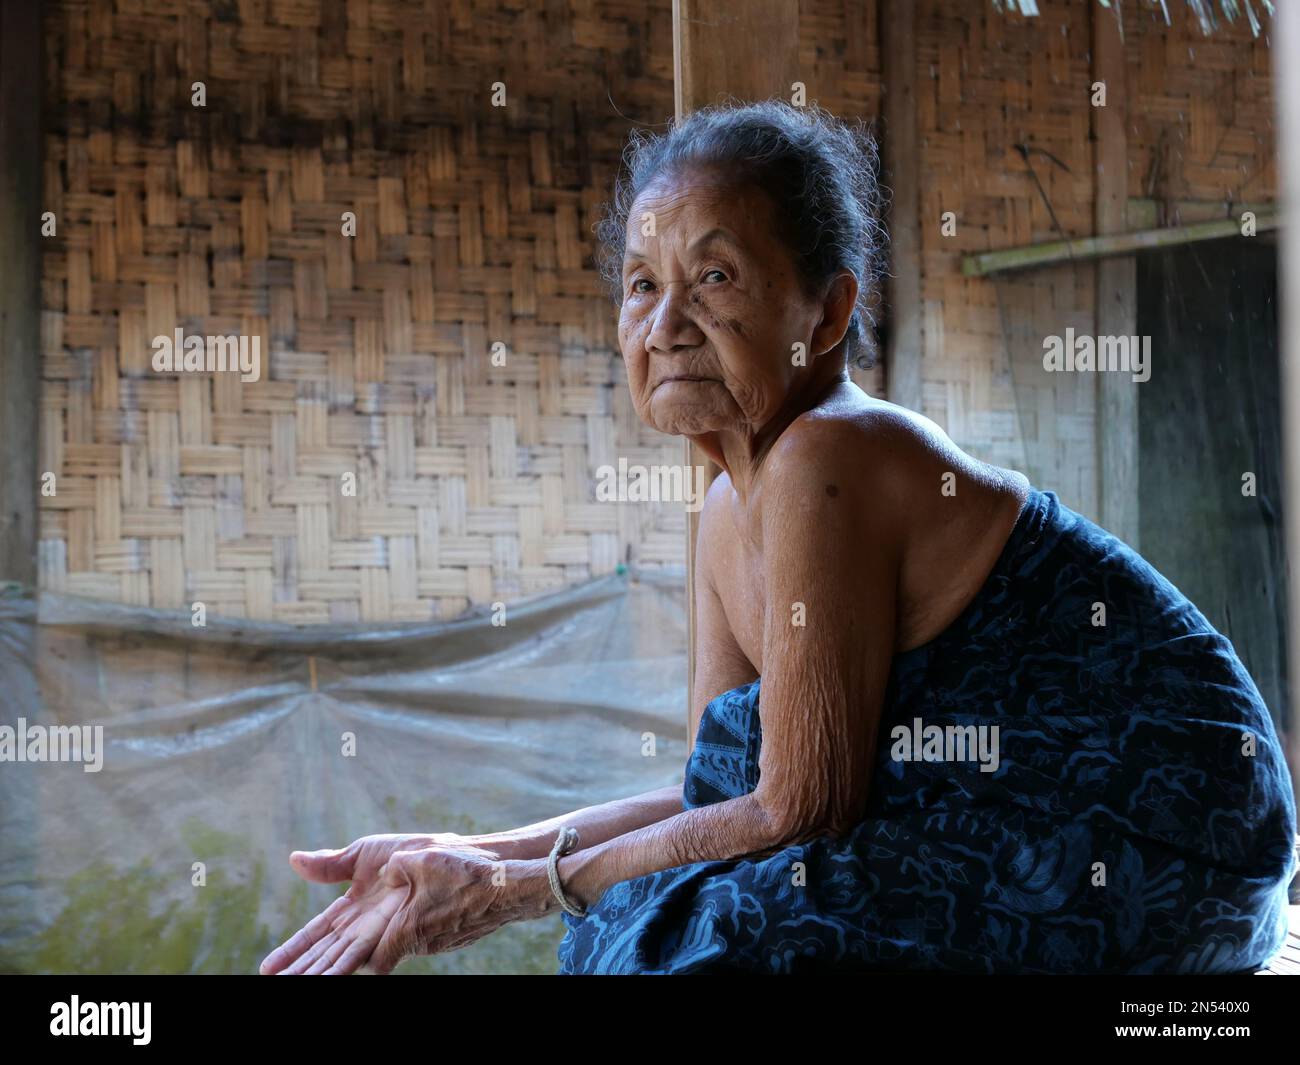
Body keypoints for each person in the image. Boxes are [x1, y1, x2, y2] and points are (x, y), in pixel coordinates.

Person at [260, 100, 1296, 976]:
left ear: (828, 309)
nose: (664, 322)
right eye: (639, 284)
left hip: (1167, 835)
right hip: (993, 816)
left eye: (713, 279)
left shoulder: (830, 455)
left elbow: (801, 806)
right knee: (648, 912)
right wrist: (471, 852)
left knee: (713, 929)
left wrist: (520, 888)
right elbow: (727, 792)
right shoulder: (726, 507)